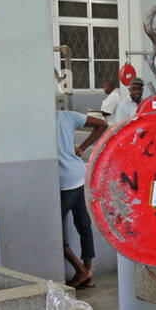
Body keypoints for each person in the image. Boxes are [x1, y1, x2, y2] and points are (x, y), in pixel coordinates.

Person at [56, 105, 108, 289]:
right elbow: (102, 124)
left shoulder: (40, 122)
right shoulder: (68, 116)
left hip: (63, 183)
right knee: (84, 226)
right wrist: (83, 147)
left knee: (54, 232)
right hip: (80, 176)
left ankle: (81, 271)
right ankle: (88, 275)